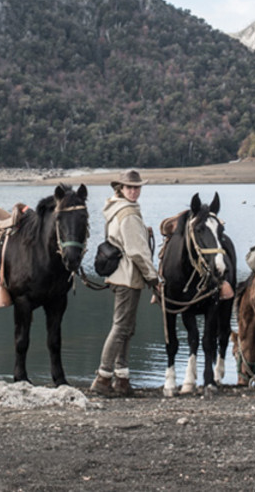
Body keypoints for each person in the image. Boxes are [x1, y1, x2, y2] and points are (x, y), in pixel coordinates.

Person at [90, 169, 159, 398]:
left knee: (126, 329)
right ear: (120, 188)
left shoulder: (115, 209)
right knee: (121, 328)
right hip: (128, 277)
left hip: (120, 275)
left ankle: (121, 379)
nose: (134, 191)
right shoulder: (128, 213)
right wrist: (153, 278)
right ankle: (103, 378)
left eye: (137, 187)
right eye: (130, 187)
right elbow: (137, 251)